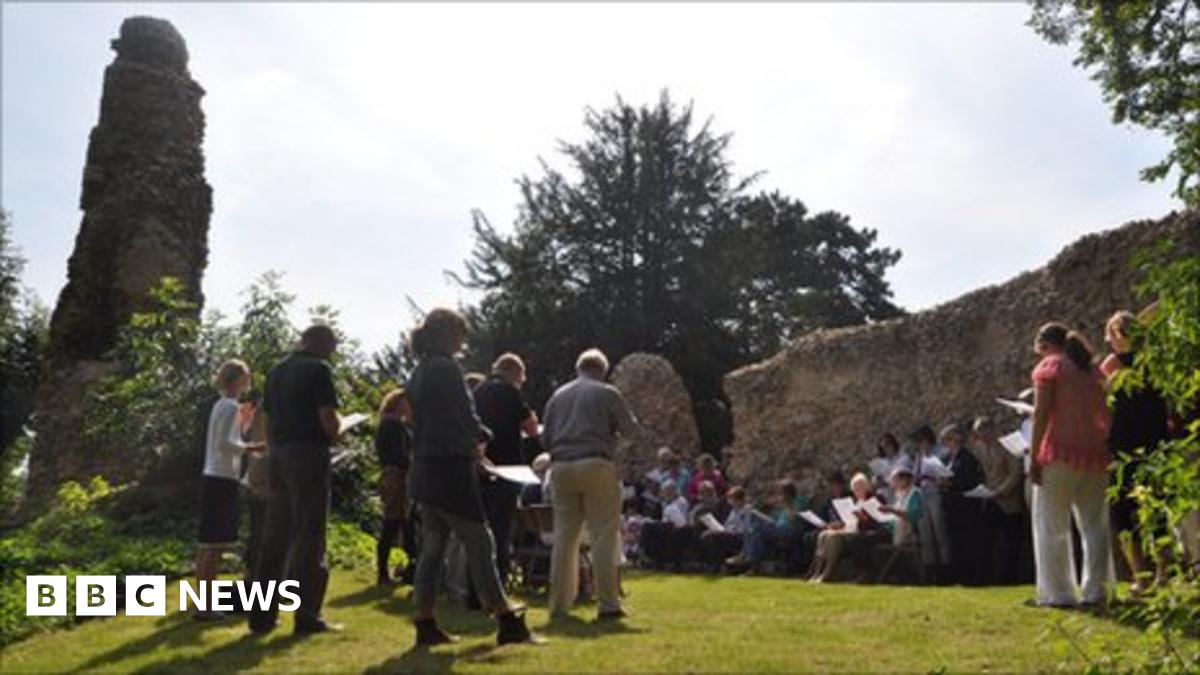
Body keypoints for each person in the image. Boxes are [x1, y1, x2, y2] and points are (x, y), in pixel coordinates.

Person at [404, 309, 537, 646]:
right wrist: (481, 437)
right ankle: (505, 618)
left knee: (432, 548)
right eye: (461, 333)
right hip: (449, 468)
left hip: (424, 467)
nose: (464, 340)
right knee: (481, 541)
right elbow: (464, 416)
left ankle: (425, 620)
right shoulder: (446, 368)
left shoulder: (418, 371)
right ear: (446, 333)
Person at [249, 326, 342, 635]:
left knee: (274, 536)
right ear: (321, 343)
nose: (333, 350)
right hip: (308, 456)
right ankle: (307, 615)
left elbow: (266, 418)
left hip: (279, 455)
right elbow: (327, 417)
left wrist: (274, 451)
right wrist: (336, 434)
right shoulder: (319, 370)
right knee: (310, 534)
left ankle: (261, 617)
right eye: (332, 344)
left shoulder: (277, 371)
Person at [543, 348, 638, 620]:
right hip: (596, 462)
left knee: (564, 536)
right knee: (604, 534)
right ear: (603, 370)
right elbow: (630, 430)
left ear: (578, 368)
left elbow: (545, 439)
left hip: (560, 466)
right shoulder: (607, 392)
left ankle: (559, 605)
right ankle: (608, 604)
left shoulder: (557, 396)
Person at [1029, 322, 1114, 608]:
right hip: (1094, 454)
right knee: (1095, 525)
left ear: (1046, 345)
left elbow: (1041, 414)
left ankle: (1059, 593)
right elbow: (1106, 413)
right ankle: (1096, 591)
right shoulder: (1093, 370)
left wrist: (1034, 457)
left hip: (1059, 453)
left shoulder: (1050, 367)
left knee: (1052, 526)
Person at [1100, 310, 1171, 594]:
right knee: (1157, 510)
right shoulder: (1155, 361)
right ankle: (1164, 572)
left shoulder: (1112, 365)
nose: (1108, 341)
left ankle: (1141, 576)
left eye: (1109, 335)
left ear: (1118, 334)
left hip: (1124, 445)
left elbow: (1105, 407)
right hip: (1157, 441)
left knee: (1122, 514)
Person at [196, 360, 264, 620]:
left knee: (208, 545)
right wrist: (253, 447)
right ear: (237, 380)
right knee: (212, 546)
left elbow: (225, 440)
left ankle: (204, 604)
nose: (248, 383)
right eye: (246, 378)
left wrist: (243, 428)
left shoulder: (223, 405)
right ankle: (206, 607)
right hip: (221, 477)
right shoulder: (229, 406)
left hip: (217, 475)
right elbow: (226, 445)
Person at [472, 353, 540, 587]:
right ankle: (498, 586)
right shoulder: (511, 392)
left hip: (481, 466)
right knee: (502, 531)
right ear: (514, 372)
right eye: (522, 377)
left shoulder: (478, 390)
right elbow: (531, 429)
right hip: (508, 468)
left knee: (481, 531)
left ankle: (475, 586)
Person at [971, 416, 1026, 585]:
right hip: (990, 499)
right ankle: (984, 578)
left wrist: (1001, 491)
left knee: (1011, 542)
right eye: (979, 436)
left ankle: (1009, 579)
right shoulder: (979, 447)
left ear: (993, 430)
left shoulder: (1009, 445)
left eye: (985, 435)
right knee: (986, 540)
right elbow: (982, 470)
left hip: (1008, 500)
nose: (983, 439)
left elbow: (1016, 472)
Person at [808, 473, 885, 583]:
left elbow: (878, 520)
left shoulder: (875, 499)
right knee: (824, 535)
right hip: (850, 529)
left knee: (834, 538)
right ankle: (817, 571)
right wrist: (839, 524)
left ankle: (828, 572)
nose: (857, 491)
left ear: (866, 487)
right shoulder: (854, 501)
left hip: (869, 532)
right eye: (855, 489)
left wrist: (863, 518)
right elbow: (848, 520)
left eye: (860, 488)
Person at [374, 388, 415, 587]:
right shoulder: (394, 426)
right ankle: (384, 572)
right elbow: (401, 454)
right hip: (397, 475)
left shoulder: (386, 425)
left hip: (390, 473)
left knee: (396, 523)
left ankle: (392, 570)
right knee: (394, 523)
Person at [939, 423, 985, 585]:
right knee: (953, 542)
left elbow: (970, 481)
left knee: (966, 542)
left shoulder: (967, 458)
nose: (947, 443)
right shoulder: (945, 459)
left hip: (965, 506)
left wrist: (950, 483)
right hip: (950, 505)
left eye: (950, 439)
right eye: (945, 440)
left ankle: (969, 577)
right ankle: (956, 575)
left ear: (958, 439)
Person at [911, 425, 952, 582]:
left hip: (936, 494)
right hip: (923, 495)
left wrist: (932, 478)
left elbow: (946, 476)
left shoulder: (940, 453)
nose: (920, 444)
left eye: (921, 441)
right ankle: (930, 570)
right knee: (926, 534)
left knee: (940, 531)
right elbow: (915, 477)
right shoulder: (919, 456)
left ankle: (945, 569)